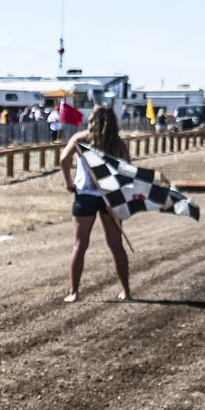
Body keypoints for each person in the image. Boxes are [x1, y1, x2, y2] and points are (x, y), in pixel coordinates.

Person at [60, 105, 134, 303]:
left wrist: (69, 182)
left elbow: (63, 158)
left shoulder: (81, 139)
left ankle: (74, 292)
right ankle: (125, 290)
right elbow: (127, 171)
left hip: (85, 196)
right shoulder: (118, 143)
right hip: (110, 197)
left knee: (80, 245)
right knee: (116, 245)